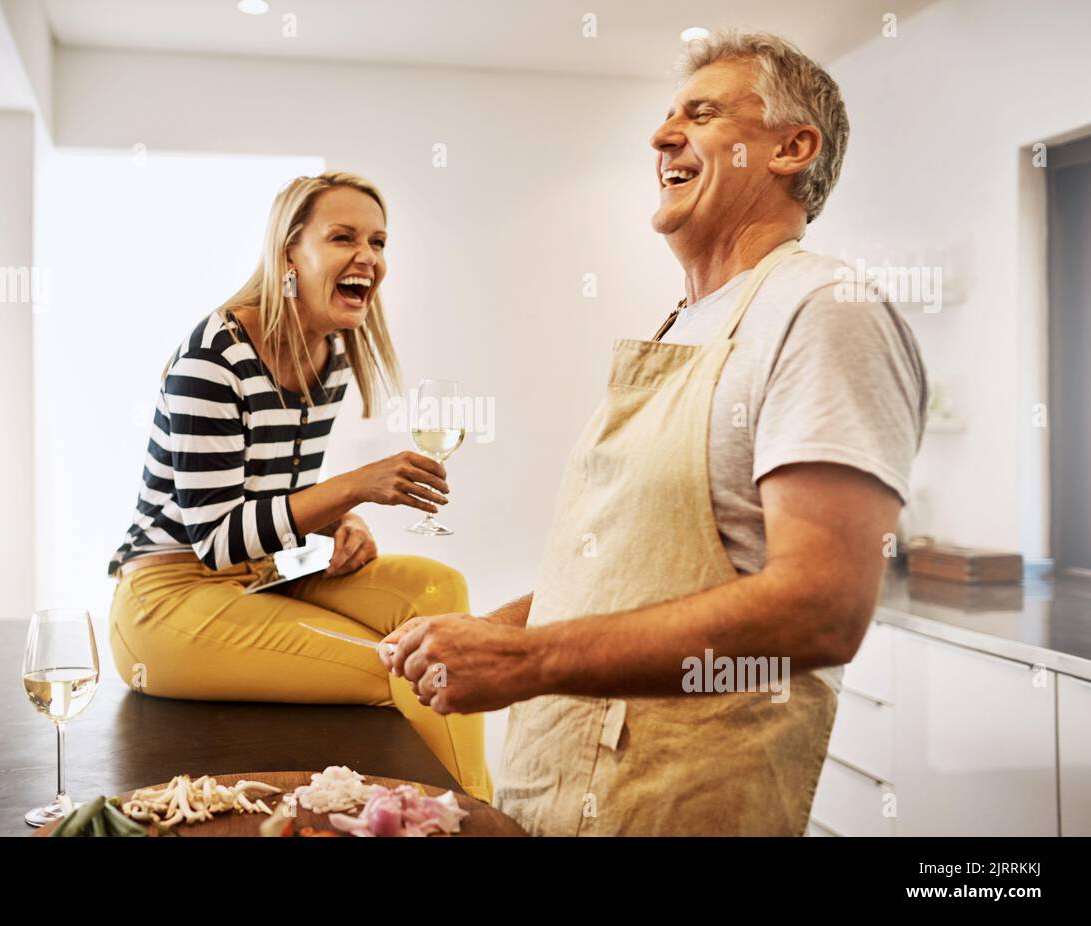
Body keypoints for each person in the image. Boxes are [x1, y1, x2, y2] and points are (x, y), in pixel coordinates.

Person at [380, 32, 927, 834]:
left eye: (700, 114)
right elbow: (630, 574)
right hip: (557, 788)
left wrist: (525, 661)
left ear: (791, 148)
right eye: (668, 114)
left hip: (683, 803)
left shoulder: (823, 311)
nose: (661, 136)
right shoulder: (683, 324)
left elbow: (821, 610)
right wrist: (491, 632)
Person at [108, 172, 491, 802]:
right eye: (343, 237)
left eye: (378, 241)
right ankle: (468, 813)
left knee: (438, 589)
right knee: (403, 664)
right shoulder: (216, 356)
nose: (367, 256)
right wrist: (353, 489)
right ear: (290, 252)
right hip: (167, 598)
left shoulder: (332, 357)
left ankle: (463, 809)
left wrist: (342, 523)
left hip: (260, 575)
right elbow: (217, 540)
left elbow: (275, 505)